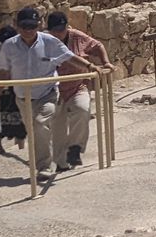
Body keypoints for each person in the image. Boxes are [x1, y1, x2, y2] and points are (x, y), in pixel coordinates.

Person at [0, 7, 96, 188]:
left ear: (39, 25)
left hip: (47, 93)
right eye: (24, 26)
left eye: (32, 26)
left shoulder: (49, 42)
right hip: (23, 97)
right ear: (16, 25)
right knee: (35, 132)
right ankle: (51, 161)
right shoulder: (9, 46)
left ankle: (44, 167)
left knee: (40, 123)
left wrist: (91, 67)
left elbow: (69, 57)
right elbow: (1, 71)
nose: (28, 30)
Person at [45, 12, 110, 168]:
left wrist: (105, 62)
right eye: (55, 30)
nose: (59, 33)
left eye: (62, 29)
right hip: (54, 89)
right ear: (49, 30)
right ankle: (61, 162)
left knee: (82, 110)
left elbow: (97, 46)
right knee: (58, 126)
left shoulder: (77, 37)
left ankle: (74, 148)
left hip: (78, 85)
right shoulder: (43, 41)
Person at [0, 26, 28, 156]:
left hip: (17, 86)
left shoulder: (20, 48)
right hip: (1, 87)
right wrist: (1, 73)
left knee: (20, 117)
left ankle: (21, 146)